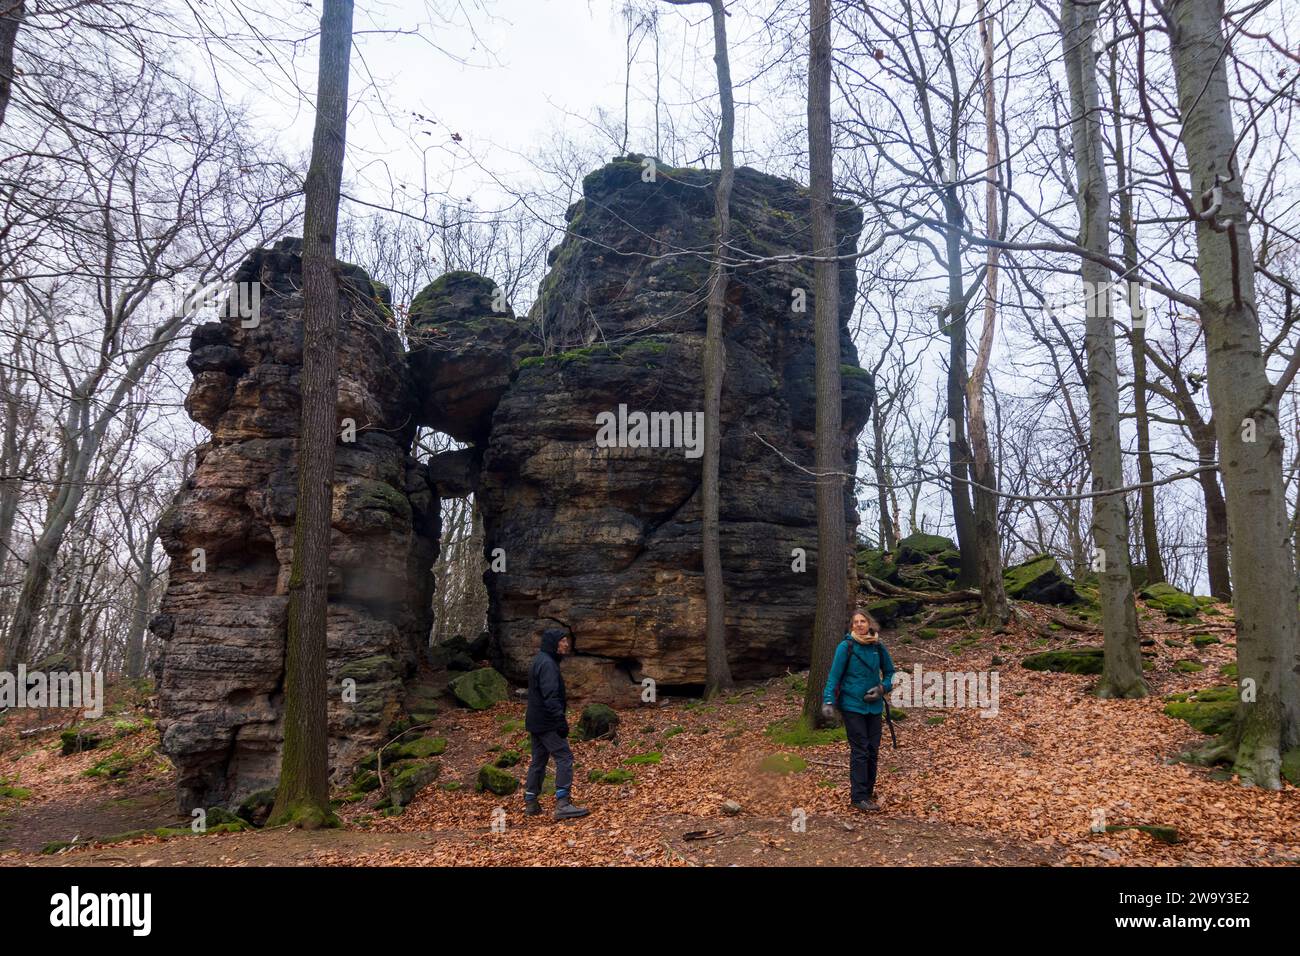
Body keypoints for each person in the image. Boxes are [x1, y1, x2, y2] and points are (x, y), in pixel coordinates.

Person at [821, 610, 896, 812]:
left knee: (873, 750)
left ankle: (868, 792)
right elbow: (834, 677)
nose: (860, 624)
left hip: (874, 707)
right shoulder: (846, 647)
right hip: (852, 705)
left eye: (863, 621)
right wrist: (828, 701)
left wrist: (882, 688)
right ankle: (858, 796)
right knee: (860, 750)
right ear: (852, 626)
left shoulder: (877, 646)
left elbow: (891, 674)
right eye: (856, 622)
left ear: (869, 624)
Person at [523, 626, 589, 820]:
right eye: (562, 641)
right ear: (553, 643)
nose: (566, 644)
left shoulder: (540, 661)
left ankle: (531, 802)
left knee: (539, 760)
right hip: (546, 722)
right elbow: (550, 695)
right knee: (564, 757)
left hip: (535, 721)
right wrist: (560, 720)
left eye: (566, 640)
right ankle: (563, 803)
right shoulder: (548, 664)